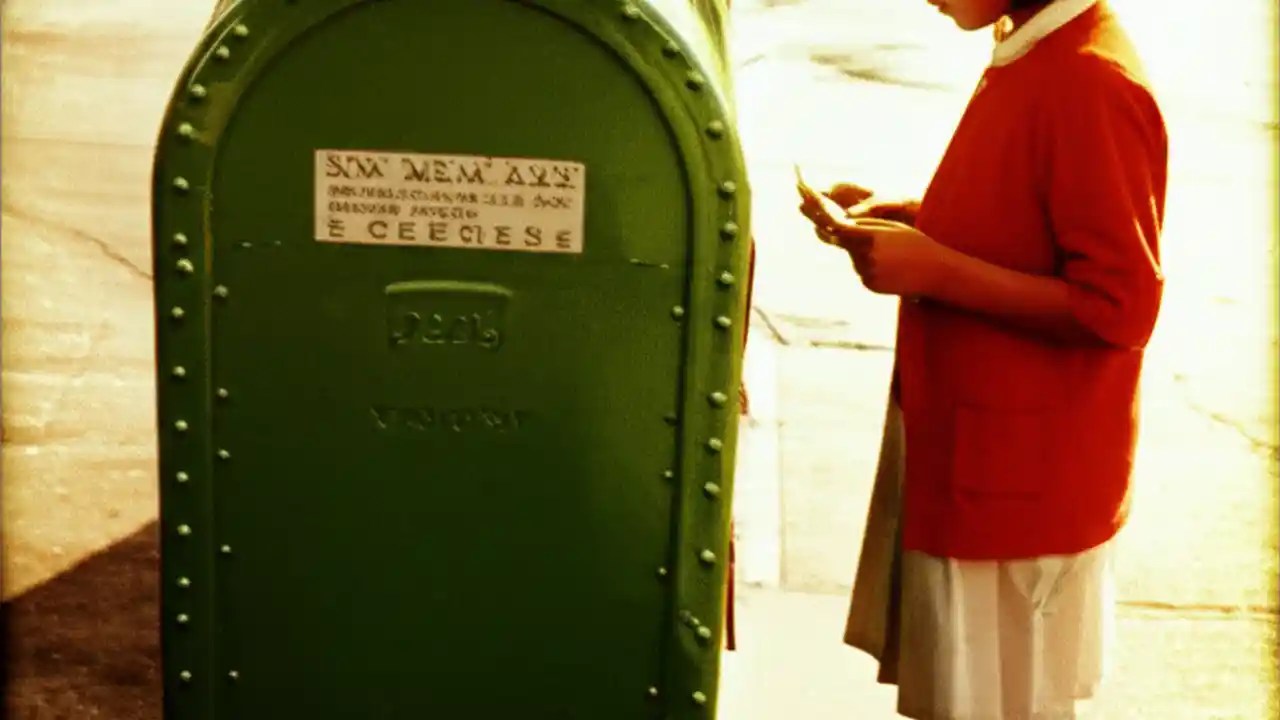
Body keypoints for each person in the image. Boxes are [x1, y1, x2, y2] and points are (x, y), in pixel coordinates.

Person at [797, 0, 1168, 718]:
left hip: (1018, 487)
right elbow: (1024, 216)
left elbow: (1119, 307)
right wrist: (909, 220)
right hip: (978, 457)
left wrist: (933, 269)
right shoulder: (1029, 47)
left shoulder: (1092, 78)